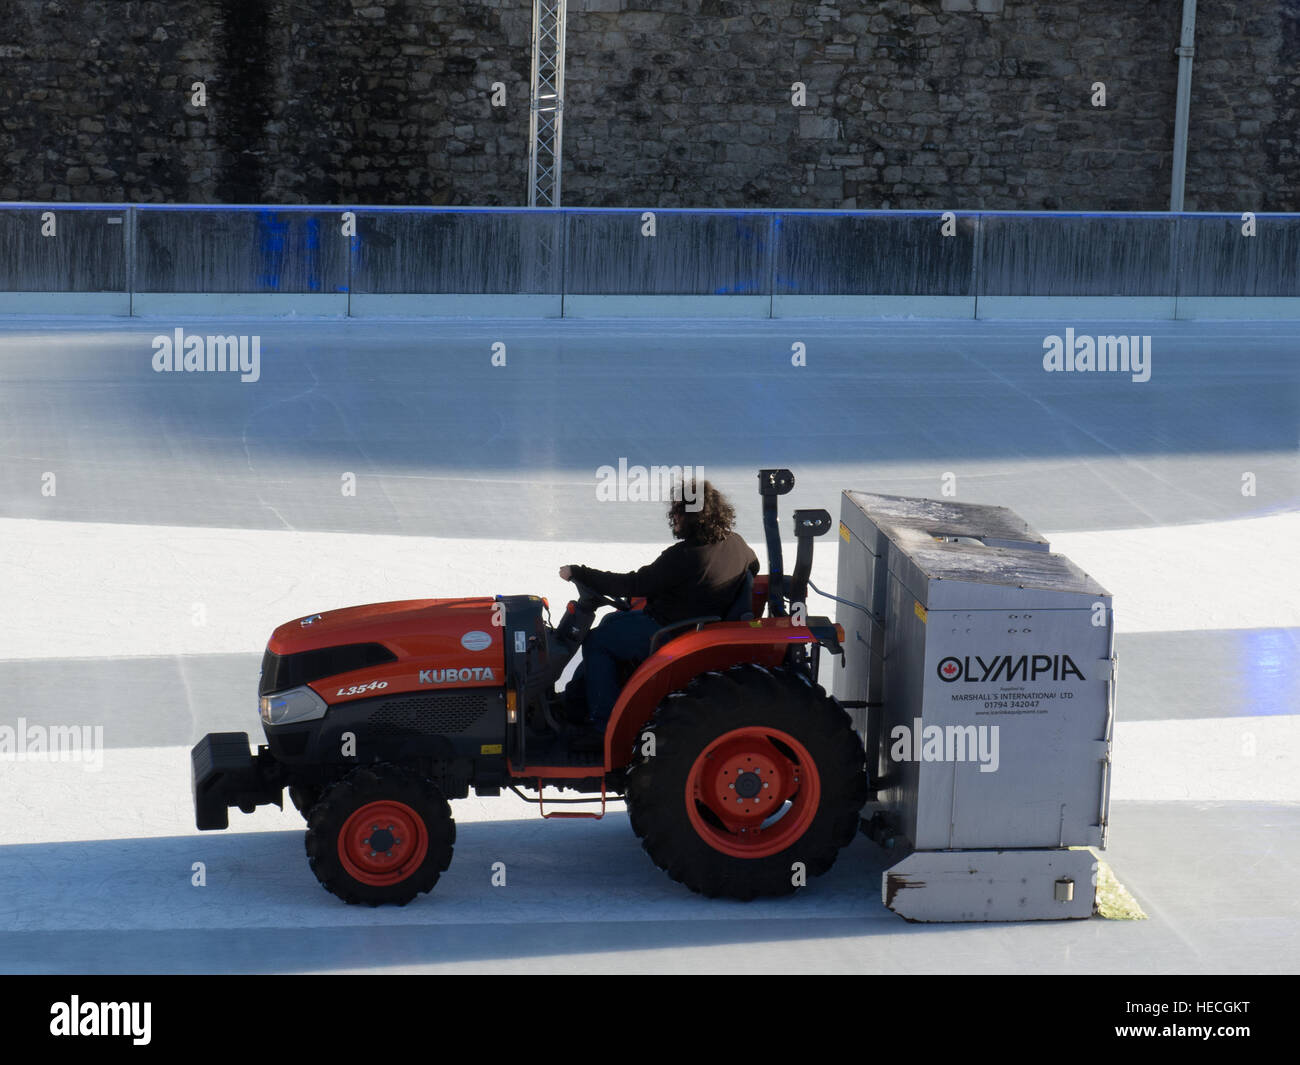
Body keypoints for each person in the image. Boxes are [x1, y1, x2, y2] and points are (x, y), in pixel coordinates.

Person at [559, 479, 759, 748]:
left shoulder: (685, 556)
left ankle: (602, 727)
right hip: (695, 625)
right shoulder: (737, 544)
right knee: (611, 621)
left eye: (677, 511)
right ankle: (576, 702)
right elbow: (754, 567)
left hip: (671, 632)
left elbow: (633, 584)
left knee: (597, 641)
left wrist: (580, 573)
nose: (673, 517)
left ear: (692, 516)